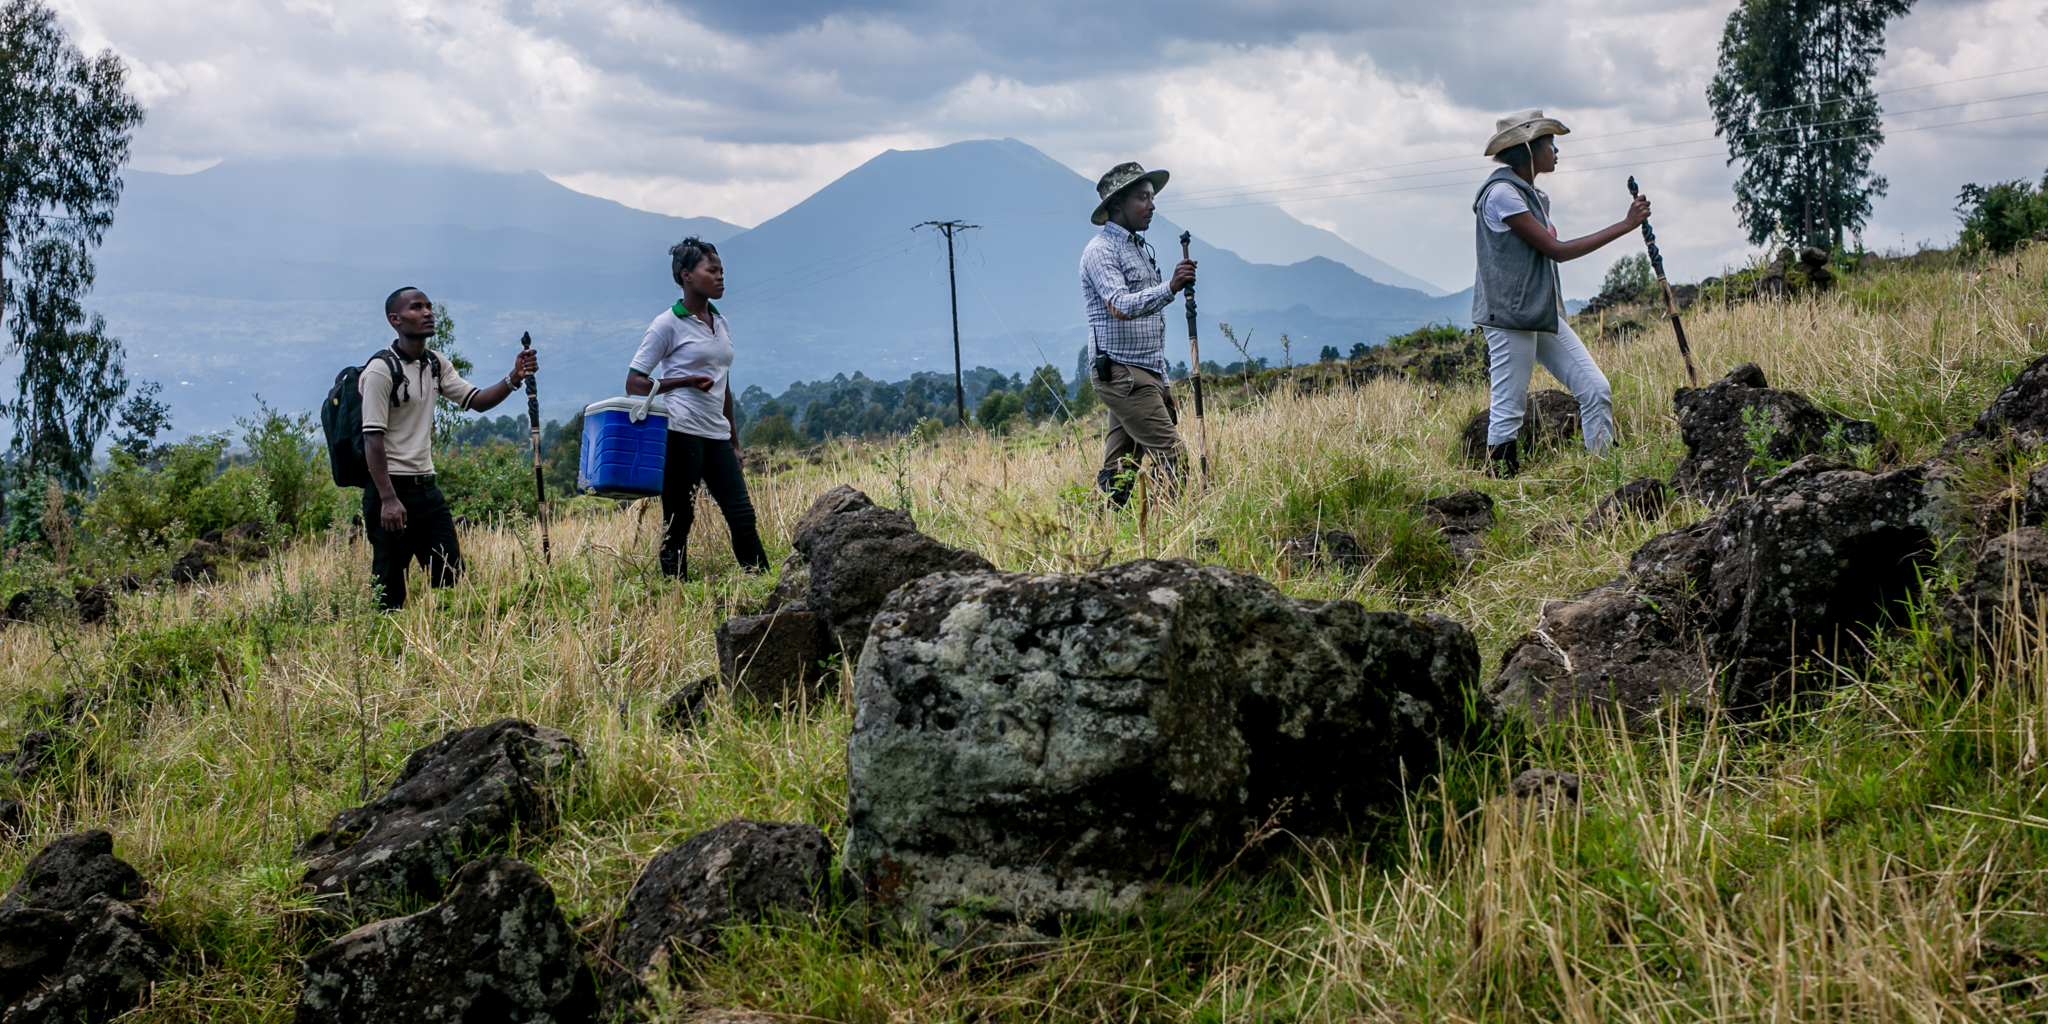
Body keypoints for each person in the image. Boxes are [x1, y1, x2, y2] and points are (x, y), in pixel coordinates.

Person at [1473, 109, 1651, 477]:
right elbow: (1557, 251)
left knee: (1595, 388)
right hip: (1510, 317)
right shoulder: (1503, 194)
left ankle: (1603, 472)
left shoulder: (1531, 195)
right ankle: (1500, 490)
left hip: (1538, 313)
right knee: (1508, 408)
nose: (1556, 151)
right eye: (1550, 143)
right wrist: (1626, 225)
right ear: (1527, 148)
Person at [360, 286, 538, 611]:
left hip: (427, 489)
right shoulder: (380, 372)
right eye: (417, 308)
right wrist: (387, 500)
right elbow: (372, 439)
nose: (428, 313)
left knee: (450, 573)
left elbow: (477, 401)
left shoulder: (435, 363)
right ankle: (387, 650)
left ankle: (444, 639)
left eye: (429, 306)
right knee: (389, 589)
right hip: (390, 491)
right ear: (395, 320)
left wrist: (514, 378)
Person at [626, 236, 770, 580]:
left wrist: (734, 441)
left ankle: (763, 582)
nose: (721, 277)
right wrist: (683, 381)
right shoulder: (667, 324)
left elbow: (725, 386)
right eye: (712, 270)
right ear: (686, 275)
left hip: (717, 434)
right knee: (678, 518)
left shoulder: (720, 322)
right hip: (681, 433)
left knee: (741, 514)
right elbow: (634, 383)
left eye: (722, 270)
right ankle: (675, 590)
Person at [1080, 161, 1198, 505]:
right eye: (1142, 198)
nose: (1152, 205)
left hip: (1141, 372)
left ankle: (1104, 531)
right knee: (1173, 457)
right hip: (1120, 373)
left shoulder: (1137, 248)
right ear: (1117, 204)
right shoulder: (1100, 251)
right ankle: (1165, 540)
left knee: (1121, 466)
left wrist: (1160, 381)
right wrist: (1172, 287)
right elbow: (1119, 305)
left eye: (1151, 197)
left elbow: (1152, 324)